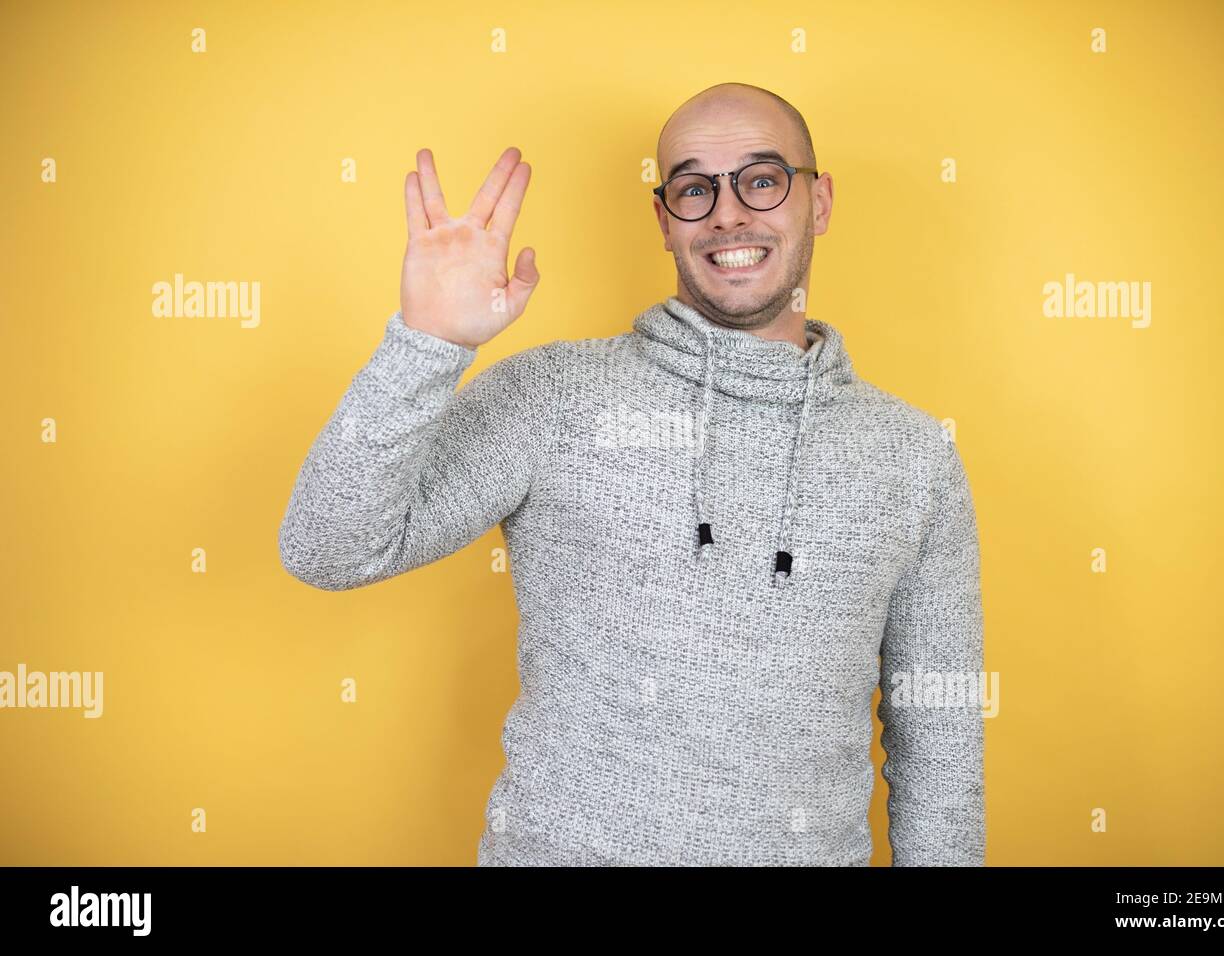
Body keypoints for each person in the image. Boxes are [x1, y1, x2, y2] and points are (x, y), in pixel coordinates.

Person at [278, 82, 986, 866]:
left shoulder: (914, 456)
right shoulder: (551, 396)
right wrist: (425, 345)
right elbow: (327, 547)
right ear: (663, 220)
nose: (727, 213)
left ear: (817, 202)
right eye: (693, 188)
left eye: (762, 179)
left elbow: (940, 741)